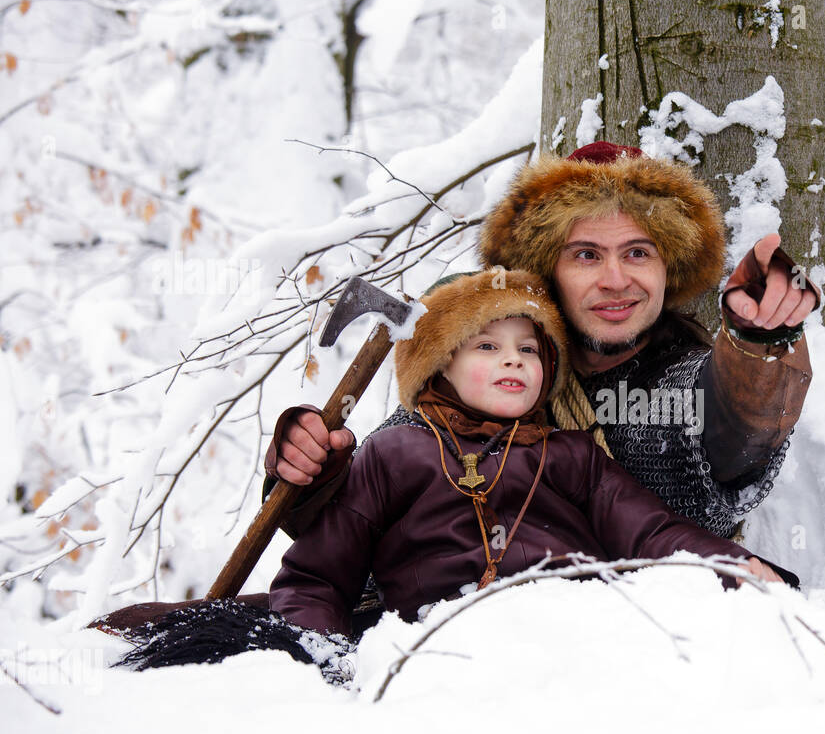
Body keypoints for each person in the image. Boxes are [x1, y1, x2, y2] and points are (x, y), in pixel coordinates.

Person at [268, 142, 818, 540]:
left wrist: (759, 341)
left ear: (666, 268)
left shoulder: (682, 385)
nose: (615, 279)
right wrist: (313, 470)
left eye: (637, 252)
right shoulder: (480, 385)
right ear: (545, 273)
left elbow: (738, 418)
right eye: (586, 255)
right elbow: (342, 525)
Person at [270, 269, 792, 638]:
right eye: (487, 346)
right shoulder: (394, 452)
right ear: (439, 365)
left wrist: (734, 565)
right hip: (439, 649)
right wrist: (331, 665)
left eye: (527, 348)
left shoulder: (570, 454)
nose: (513, 361)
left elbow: (651, 532)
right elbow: (315, 579)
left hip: (573, 638)